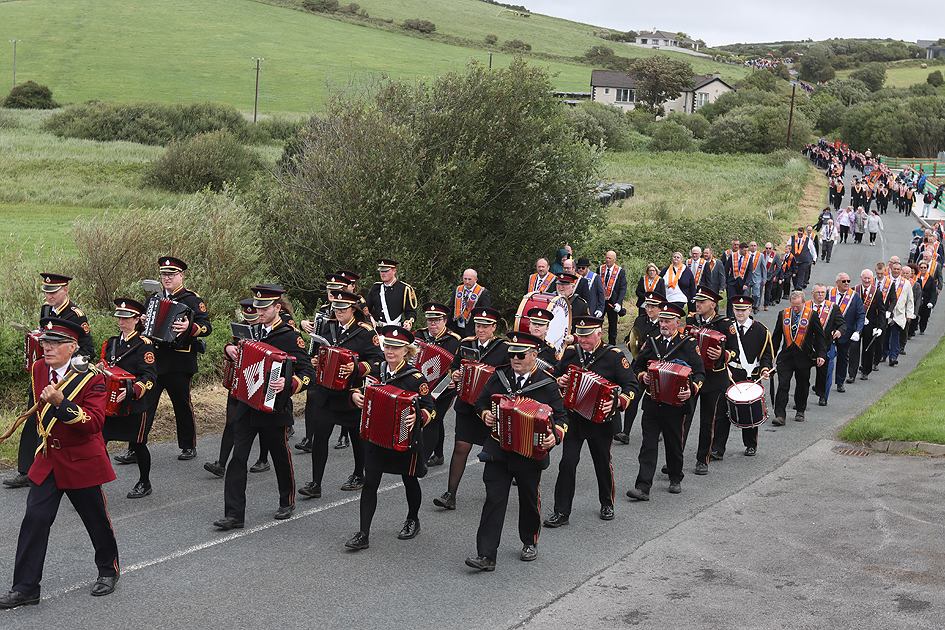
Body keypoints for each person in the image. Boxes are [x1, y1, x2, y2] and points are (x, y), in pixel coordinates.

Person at [0, 318, 118, 608]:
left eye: (54, 343)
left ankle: (108, 570)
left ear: (72, 347)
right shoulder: (40, 368)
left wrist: (62, 403)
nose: (47, 348)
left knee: (96, 520)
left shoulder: (91, 377)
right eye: (45, 342)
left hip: (81, 459)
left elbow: (94, 423)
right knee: (35, 519)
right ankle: (26, 587)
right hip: (49, 458)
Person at [464, 332, 568, 571]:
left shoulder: (547, 384)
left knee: (529, 499)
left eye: (520, 355)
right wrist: (485, 415)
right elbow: (480, 402)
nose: (515, 359)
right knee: (493, 499)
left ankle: (529, 541)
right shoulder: (499, 376)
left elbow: (562, 418)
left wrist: (555, 436)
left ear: (534, 355)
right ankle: (486, 555)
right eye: (512, 354)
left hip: (531, 453)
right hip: (498, 450)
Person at [214, 285, 314, 530]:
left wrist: (290, 383)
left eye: (264, 308)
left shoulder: (290, 336)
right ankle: (234, 514)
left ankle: (286, 500)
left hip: (274, 407)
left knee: (280, 454)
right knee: (238, 458)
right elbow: (233, 348)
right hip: (247, 404)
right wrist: (228, 350)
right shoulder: (252, 331)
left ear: (277, 308)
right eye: (257, 307)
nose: (258, 312)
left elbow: (309, 373)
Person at [345, 326, 436, 550]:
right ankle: (363, 533)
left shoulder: (415, 378)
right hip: (376, 437)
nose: (389, 351)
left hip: (406, 440)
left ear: (406, 350)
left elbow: (431, 408)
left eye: (395, 348)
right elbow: (356, 389)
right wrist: (355, 396)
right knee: (370, 483)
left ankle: (413, 519)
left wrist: (418, 418)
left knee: (409, 480)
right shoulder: (377, 370)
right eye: (387, 346)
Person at [544, 316, 638, 527]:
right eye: (580, 337)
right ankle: (562, 512)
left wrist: (617, 402)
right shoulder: (570, 353)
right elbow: (553, 376)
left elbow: (632, 385)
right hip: (574, 419)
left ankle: (607, 502)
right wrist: (559, 381)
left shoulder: (613, 356)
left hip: (601, 421)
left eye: (587, 337)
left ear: (598, 333)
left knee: (602, 462)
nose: (583, 341)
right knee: (567, 462)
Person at [5, 273, 95, 489]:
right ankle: (26, 470)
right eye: (46, 292)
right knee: (32, 417)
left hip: (65, 380)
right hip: (43, 373)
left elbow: (88, 350)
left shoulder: (76, 316)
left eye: (53, 292)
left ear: (65, 290)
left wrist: (65, 361)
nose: (49, 296)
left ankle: (69, 473)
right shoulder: (46, 310)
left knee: (60, 424)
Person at [298, 289, 383, 500]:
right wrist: (316, 362)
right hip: (327, 391)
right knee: (320, 436)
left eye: (342, 309)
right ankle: (316, 482)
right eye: (335, 308)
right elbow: (318, 352)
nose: (337, 312)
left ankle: (358, 474)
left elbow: (378, 362)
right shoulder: (328, 327)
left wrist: (356, 367)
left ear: (352, 309)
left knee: (357, 437)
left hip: (351, 392)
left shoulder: (365, 332)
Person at [132, 256, 211, 464]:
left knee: (182, 405)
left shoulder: (192, 300)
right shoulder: (153, 299)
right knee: (144, 404)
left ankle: (188, 445)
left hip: (179, 361)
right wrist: (142, 322)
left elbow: (206, 327)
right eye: (164, 275)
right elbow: (145, 330)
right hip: (156, 361)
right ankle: (135, 446)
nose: (167, 278)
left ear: (181, 276)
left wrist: (190, 328)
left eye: (171, 274)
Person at [626, 303, 705, 500]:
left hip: (675, 405)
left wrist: (691, 390)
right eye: (661, 320)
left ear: (678, 323)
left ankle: (675, 477)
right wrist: (642, 375)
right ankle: (643, 487)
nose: (663, 324)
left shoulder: (688, 344)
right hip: (652, 403)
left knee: (673, 444)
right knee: (648, 445)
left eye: (668, 321)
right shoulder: (651, 343)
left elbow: (700, 374)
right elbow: (636, 367)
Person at [434, 307, 507, 511]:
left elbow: (507, 376)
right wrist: (455, 374)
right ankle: (450, 494)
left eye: (485, 326)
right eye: (477, 325)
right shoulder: (466, 343)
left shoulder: (503, 348)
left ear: (494, 327)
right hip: (467, 405)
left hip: (491, 410)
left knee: (494, 454)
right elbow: (453, 366)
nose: (480, 329)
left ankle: (495, 496)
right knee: (460, 448)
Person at [99, 299, 157, 499]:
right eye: (119, 318)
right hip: (110, 402)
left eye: (126, 318)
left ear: (136, 320)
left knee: (138, 445)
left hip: (133, 404)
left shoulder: (144, 345)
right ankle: (94, 485)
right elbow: (105, 363)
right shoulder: (112, 342)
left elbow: (150, 376)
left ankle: (144, 482)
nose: (121, 322)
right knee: (99, 442)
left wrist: (134, 391)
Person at [204, 298, 266, 477]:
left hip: (259, 380)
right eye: (248, 317)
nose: (251, 321)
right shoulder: (241, 327)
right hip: (240, 380)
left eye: (254, 317)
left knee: (262, 425)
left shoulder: (271, 330)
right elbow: (232, 345)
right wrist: (228, 348)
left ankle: (263, 459)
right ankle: (221, 464)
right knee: (231, 421)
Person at [685, 287, 737, 475]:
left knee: (708, 421)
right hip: (691, 376)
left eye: (702, 302)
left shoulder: (724, 324)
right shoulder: (691, 320)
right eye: (696, 301)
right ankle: (676, 460)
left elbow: (735, 350)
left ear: (713, 305)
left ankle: (702, 459)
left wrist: (722, 354)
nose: (697, 304)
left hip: (714, 378)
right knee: (684, 419)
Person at [723, 296, 774, 457]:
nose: (740, 313)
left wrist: (765, 368)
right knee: (722, 413)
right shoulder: (727, 328)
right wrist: (724, 368)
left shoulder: (761, 330)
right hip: (730, 373)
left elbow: (767, 355)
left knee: (750, 412)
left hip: (751, 375)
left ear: (750, 310)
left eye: (743, 310)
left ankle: (751, 444)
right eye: (737, 309)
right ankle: (718, 448)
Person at [770, 291, 828, 425]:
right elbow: (776, 337)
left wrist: (821, 354)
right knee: (783, 385)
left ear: (803, 303)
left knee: (802, 385)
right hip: (786, 357)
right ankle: (780, 415)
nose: (795, 309)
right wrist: (771, 356)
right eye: (793, 305)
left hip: (804, 357)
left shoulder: (812, 315)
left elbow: (820, 337)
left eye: (798, 306)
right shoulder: (783, 314)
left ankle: (800, 409)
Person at [414, 302, 461, 467]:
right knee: (436, 420)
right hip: (422, 386)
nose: (433, 324)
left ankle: (423, 459)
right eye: (429, 320)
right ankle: (439, 454)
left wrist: (454, 380)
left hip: (444, 389)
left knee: (434, 420)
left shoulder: (455, 341)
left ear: (445, 320)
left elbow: (462, 365)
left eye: (437, 320)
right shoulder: (418, 336)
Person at [810, 283, 847, 406]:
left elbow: (842, 324)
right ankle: (801, 399)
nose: (820, 295)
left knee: (824, 373)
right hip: (808, 345)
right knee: (803, 372)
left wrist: (839, 331)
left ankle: (822, 395)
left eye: (823, 293)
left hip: (825, 344)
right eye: (818, 292)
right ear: (812, 294)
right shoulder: (806, 307)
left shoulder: (833, 308)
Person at [827, 275, 864, 397]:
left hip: (846, 332)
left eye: (849, 281)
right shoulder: (829, 294)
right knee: (826, 358)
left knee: (843, 358)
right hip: (829, 333)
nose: (847, 283)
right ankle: (823, 383)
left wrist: (858, 331)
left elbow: (860, 315)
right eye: (844, 281)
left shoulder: (855, 296)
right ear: (837, 282)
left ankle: (840, 381)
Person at [847, 269, 885, 383]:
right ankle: (851, 374)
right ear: (861, 278)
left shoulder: (877, 293)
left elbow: (881, 312)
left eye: (869, 278)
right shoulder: (854, 290)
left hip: (871, 325)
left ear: (872, 279)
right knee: (853, 349)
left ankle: (865, 371)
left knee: (868, 349)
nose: (867, 280)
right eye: (865, 278)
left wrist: (880, 327)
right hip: (856, 325)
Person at [366, 258, 418, 330]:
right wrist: (370, 316)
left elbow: (411, 312)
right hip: (376, 330)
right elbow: (366, 306)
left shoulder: (404, 289)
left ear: (394, 271)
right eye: (381, 271)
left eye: (386, 271)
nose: (383, 273)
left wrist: (408, 322)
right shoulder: (376, 288)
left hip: (394, 330)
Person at [885, 262, 914, 367]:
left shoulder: (905, 283)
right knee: (885, 335)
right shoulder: (886, 281)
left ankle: (893, 357)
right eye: (894, 269)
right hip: (886, 313)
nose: (896, 271)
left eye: (898, 269)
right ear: (891, 269)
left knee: (895, 335)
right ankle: (884, 354)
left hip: (899, 314)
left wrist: (909, 314)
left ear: (900, 271)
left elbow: (910, 300)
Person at [451, 269, 490, 339]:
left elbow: (485, 313)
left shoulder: (483, 293)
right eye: (465, 279)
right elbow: (451, 309)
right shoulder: (457, 290)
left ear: (476, 279)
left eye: (470, 279)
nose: (467, 282)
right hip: (456, 329)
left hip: (472, 331)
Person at [599, 251, 628, 346]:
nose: (607, 260)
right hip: (602, 301)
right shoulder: (600, 269)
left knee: (613, 325)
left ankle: (612, 345)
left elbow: (622, 288)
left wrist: (619, 302)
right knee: (598, 323)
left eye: (610, 258)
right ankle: (597, 343)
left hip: (613, 302)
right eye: (606, 258)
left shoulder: (620, 271)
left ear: (615, 259)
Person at [725, 242, 752, 317]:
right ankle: (729, 316)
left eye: (747, 250)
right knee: (730, 299)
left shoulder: (749, 258)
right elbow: (726, 269)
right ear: (740, 249)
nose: (746, 252)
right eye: (744, 250)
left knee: (739, 301)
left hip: (742, 283)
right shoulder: (733, 256)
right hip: (732, 282)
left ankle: (737, 316)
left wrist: (746, 283)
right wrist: (725, 281)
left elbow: (750, 272)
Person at [916, 261, 938, 335]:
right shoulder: (916, 277)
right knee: (916, 314)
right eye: (921, 267)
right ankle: (913, 328)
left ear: (927, 268)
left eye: (924, 267)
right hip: (917, 299)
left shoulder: (931, 279)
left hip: (926, 300)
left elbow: (933, 291)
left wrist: (931, 302)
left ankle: (922, 328)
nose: (923, 269)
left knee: (925, 316)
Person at [761, 242, 780, 310]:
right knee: (759, 291)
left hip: (770, 275)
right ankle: (757, 304)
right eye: (767, 248)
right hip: (761, 275)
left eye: (769, 248)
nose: (768, 250)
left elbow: (778, 267)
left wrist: (773, 275)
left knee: (768, 291)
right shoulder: (761, 254)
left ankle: (766, 304)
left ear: (772, 248)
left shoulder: (775, 255)